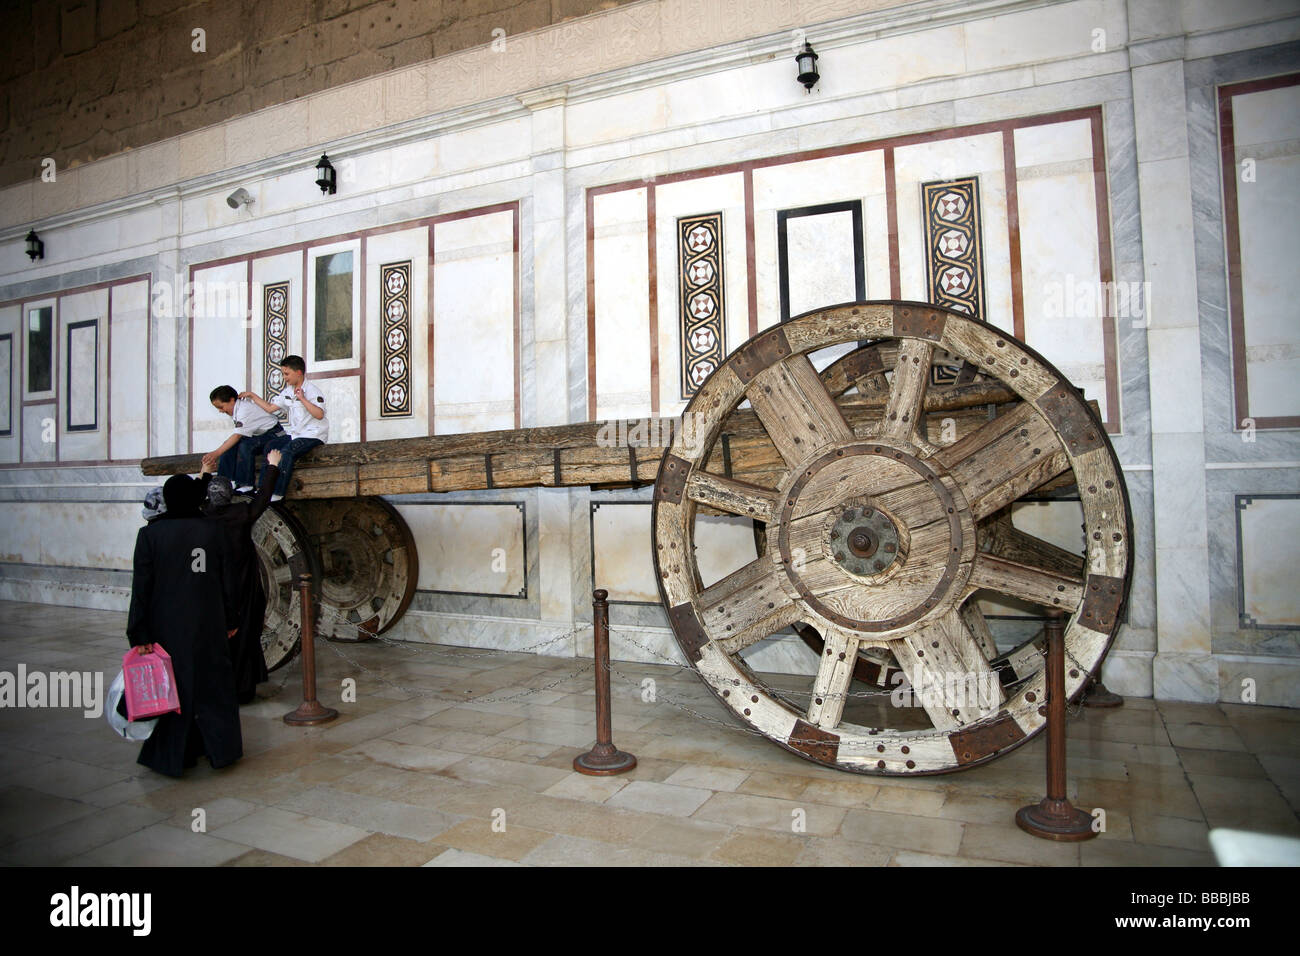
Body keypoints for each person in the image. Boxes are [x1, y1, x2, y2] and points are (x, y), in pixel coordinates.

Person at [126, 474, 242, 777]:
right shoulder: (213, 531)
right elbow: (227, 579)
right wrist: (231, 618)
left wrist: (139, 633)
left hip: (167, 624)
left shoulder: (150, 535)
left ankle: (175, 755)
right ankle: (221, 750)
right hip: (209, 620)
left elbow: (141, 588)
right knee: (212, 686)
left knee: (173, 688)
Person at [197, 450, 281, 704]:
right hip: (244, 584)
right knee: (246, 636)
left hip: (215, 586)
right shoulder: (240, 514)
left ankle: (220, 685)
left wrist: (204, 472)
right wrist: (272, 466)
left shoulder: (203, 515)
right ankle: (243, 687)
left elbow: (195, 497)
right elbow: (264, 497)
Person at [238, 355, 329, 502]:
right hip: (296, 435)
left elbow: (319, 415)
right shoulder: (287, 391)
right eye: (282, 374)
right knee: (271, 446)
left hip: (313, 435)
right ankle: (263, 488)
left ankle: (278, 492)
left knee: (288, 451)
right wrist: (252, 396)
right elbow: (270, 408)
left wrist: (303, 399)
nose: (284, 377)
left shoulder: (312, 390)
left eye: (286, 374)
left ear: (298, 372)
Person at [204, 385, 285, 492]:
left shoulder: (244, 410)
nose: (220, 411)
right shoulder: (237, 409)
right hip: (259, 435)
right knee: (228, 445)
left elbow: (237, 436)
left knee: (245, 446)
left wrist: (215, 454)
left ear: (232, 400)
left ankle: (246, 484)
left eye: (221, 407)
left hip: (273, 434)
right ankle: (225, 481)